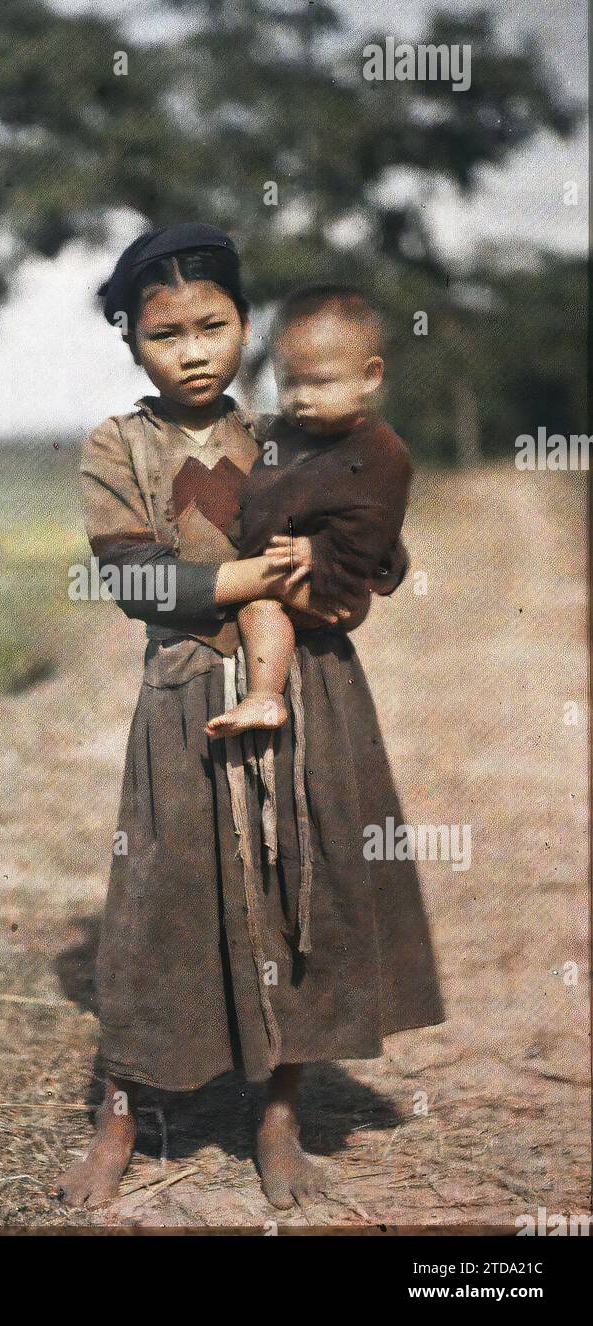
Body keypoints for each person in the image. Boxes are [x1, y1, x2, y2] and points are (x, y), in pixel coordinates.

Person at [59, 224, 444, 1212]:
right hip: (187, 692)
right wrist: (247, 574)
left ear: (245, 327)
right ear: (131, 342)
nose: (193, 350)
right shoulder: (119, 446)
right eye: (165, 334)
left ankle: (278, 1111)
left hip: (310, 688)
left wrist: (358, 566)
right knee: (158, 900)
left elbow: (375, 543)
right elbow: (133, 574)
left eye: (214, 325)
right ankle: (121, 1113)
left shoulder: (291, 431)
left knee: (297, 888)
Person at [206, 285, 411, 739]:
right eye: (289, 382)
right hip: (291, 572)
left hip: (336, 583)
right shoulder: (286, 434)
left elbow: (375, 525)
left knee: (256, 605)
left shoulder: (379, 450)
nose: (301, 397)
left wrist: (320, 554)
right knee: (260, 601)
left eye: (320, 382)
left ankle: (265, 695)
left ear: (370, 376)